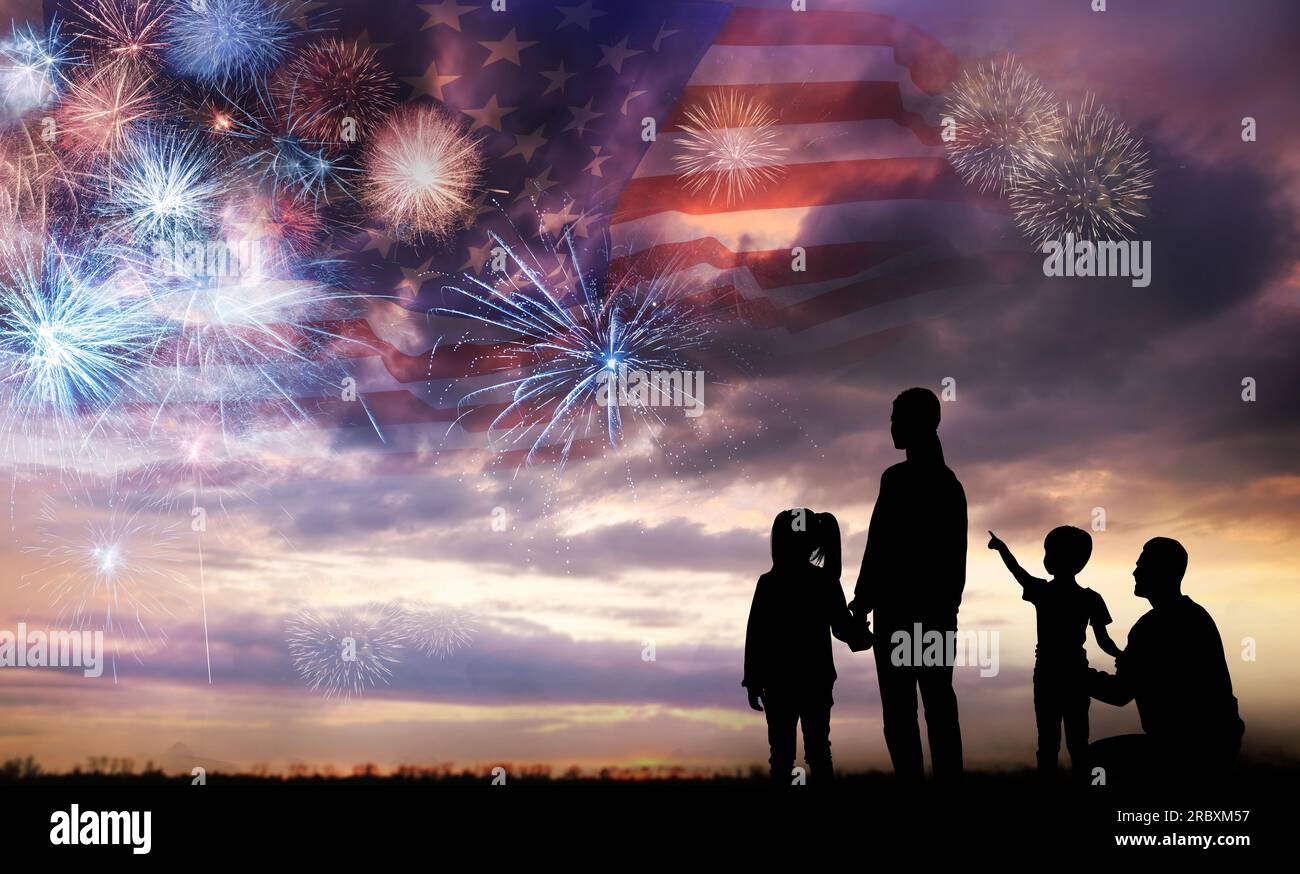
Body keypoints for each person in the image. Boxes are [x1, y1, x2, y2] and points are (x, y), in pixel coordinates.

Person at [850, 387, 967, 784]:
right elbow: (953, 565)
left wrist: (863, 600)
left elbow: (880, 546)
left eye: (897, 419)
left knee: (903, 713)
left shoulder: (898, 480)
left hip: (900, 614)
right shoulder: (949, 483)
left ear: (919, 423)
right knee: (937, 706)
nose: (892, 427)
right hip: (934, 615)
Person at [1088, 537, 1245, 788]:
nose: (1134, 571)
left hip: (1186, 748)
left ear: (1162, 571)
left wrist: (1073, 674)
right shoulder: (1196, 616)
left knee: (1095, 760)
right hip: (1217, 744)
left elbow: (1119, 693)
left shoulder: (1152, 626)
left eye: (1142, 566)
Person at [743, 509, 871, 785]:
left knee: (781, 755)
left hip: (779, 682)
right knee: (818, 751)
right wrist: (863, 634)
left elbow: (756, 636)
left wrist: (753, 680)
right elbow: (843, 628)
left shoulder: (769, 583)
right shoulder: (823, 582)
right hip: (815, 679)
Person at [987, 526, 1121, 781]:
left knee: (1050, 744)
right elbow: (1104, 641)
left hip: (1049, 674)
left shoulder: (1044, 591)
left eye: (1050, 552)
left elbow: (1017, 572)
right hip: (1074, 674)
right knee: (1077, 741)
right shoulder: (1090, 598)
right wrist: (1121, 654)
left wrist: (1002, 549)